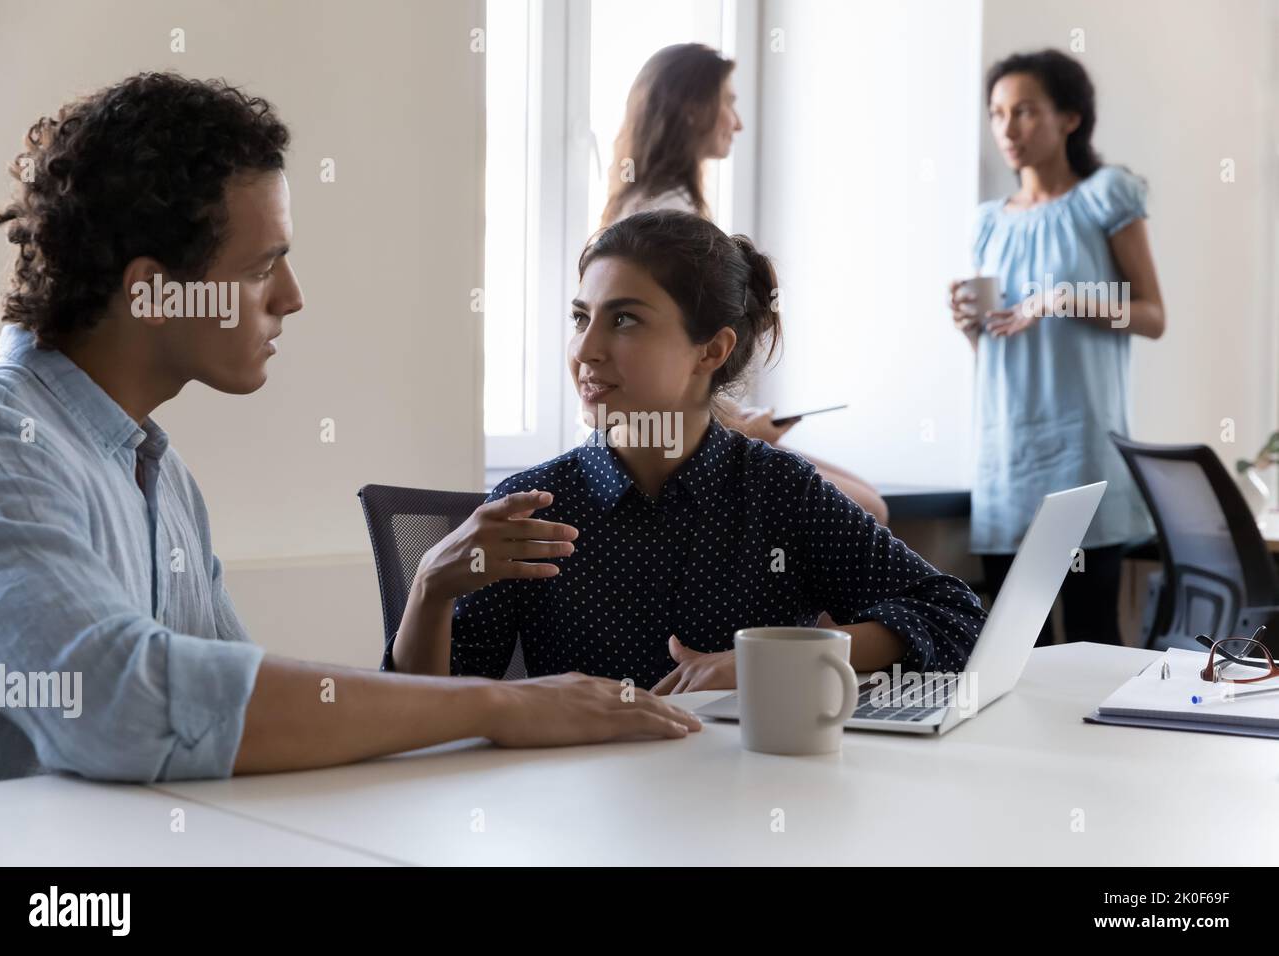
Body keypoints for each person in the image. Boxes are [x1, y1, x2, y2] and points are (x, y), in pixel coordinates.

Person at [0, 73, 702, 785]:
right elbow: (118, 701)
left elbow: (233, 708)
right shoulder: (0, 442)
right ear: (153, 291)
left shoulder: (159, 474)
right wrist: (500, 703)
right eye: (265, 267)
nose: (292, 298)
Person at [389, 209, 987, 692]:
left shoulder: (777, 490)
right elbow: (428, 719)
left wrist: (774, 663)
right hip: (577, 815)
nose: (586, 350)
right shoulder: (533, 507)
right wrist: (430, 588)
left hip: (746, 807)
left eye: (623, 321)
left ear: (710, 351)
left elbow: (955, 615)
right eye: (581, 318)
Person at [602, 43, 888, 524]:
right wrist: (736, 426)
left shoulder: (652, 208)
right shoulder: (669, 223)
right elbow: (667, 368)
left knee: (866, 501)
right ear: (694, 110)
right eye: (729, 102)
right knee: (868, 509)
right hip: (669, 440)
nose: (737, 121)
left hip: (678, 426)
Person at [950, 49, 1165, 646]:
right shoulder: (987, 222)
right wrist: (970, 327)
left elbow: (1152, 315)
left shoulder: (1105, 196)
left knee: (1093, 643)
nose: (1007, 129)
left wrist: (1063, 297)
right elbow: (996, 351)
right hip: (1006, 461)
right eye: (997, 114)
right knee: (1015, 653)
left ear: (1070, 118)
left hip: (1083, 458)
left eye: (1024, 111)